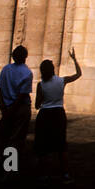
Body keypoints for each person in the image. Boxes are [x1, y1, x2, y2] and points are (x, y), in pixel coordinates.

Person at [34, 47, 82, 180]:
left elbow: (37, 105)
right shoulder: (62, 81)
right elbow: (78, 74)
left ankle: (44, 174)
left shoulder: (41, 85)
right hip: (58, 114)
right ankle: (65, 173)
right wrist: (74, 60)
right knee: (61, 145)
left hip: (45, 115)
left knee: (43, 145)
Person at [0, 46, 33, 177]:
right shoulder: (27, 73)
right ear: (25, 57)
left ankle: (5, 167)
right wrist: (10, 111)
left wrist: (4, 110)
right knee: (15, 140)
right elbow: (22, 96)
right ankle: (9, 170)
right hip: (19, 109)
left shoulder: (6, 69)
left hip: (6, 107)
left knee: (4, 138)